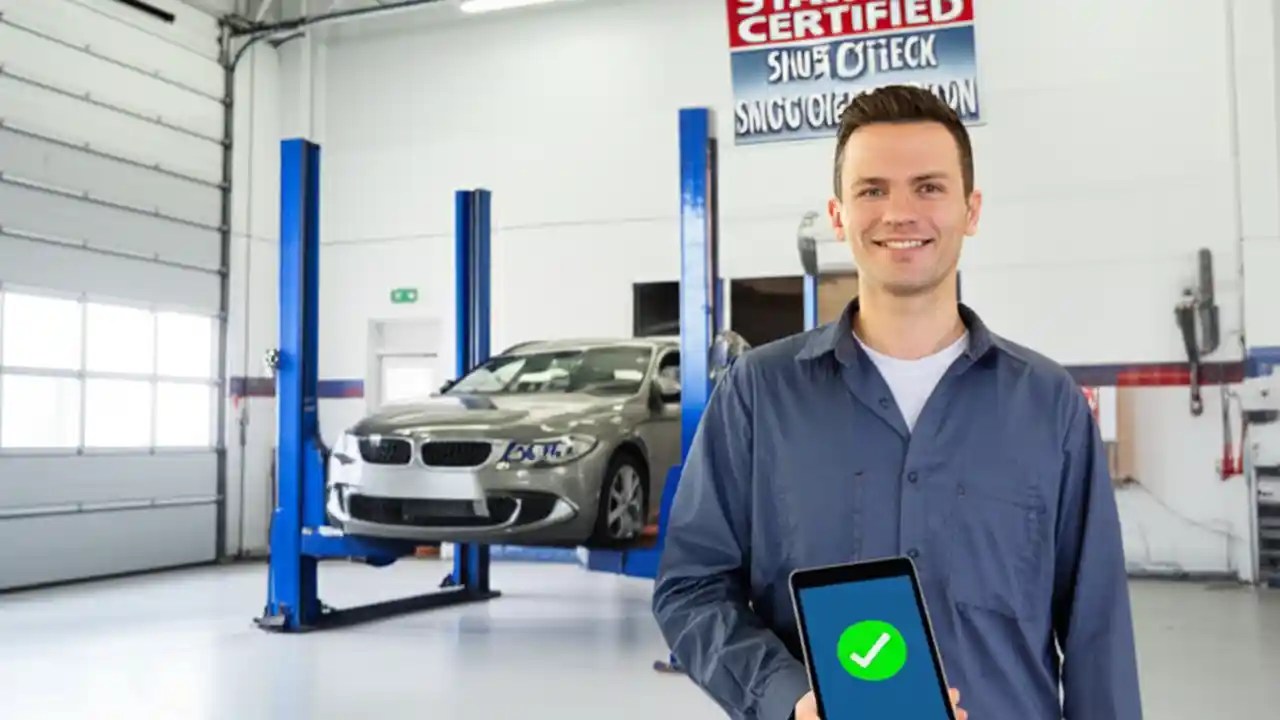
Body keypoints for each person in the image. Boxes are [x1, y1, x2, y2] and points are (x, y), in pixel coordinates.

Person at [651, 84, 1143, 720]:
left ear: (972, 209)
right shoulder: (758, 393)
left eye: (929, 187)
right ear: (838, 215)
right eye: (873, 190)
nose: (900, 213)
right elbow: (691, 590)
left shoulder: (1049, 406)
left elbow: (1096, 630)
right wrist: (790, 698)